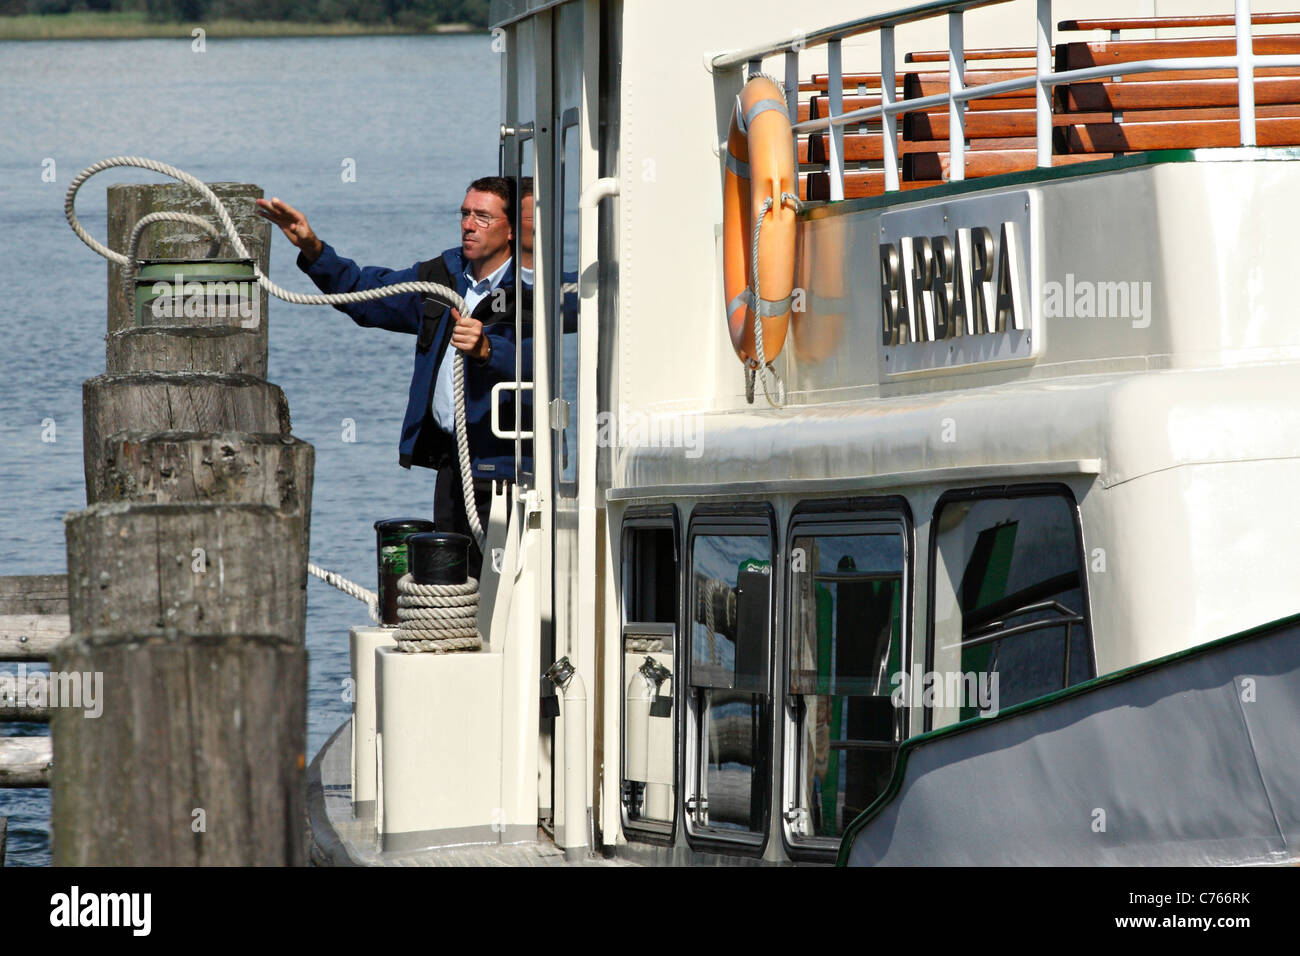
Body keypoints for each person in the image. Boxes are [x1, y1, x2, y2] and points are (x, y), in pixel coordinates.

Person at [256, 177, 533, 578]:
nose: (468, 225)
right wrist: (313, 249)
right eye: (465, 214)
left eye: (483, 217)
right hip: (452, 461)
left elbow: (542, 361)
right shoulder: (441, 275)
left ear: (510, 230)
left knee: (505, 576)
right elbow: (369, 296)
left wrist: (488, 350)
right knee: (454, 581)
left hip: (505, 463)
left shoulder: (531, 287)